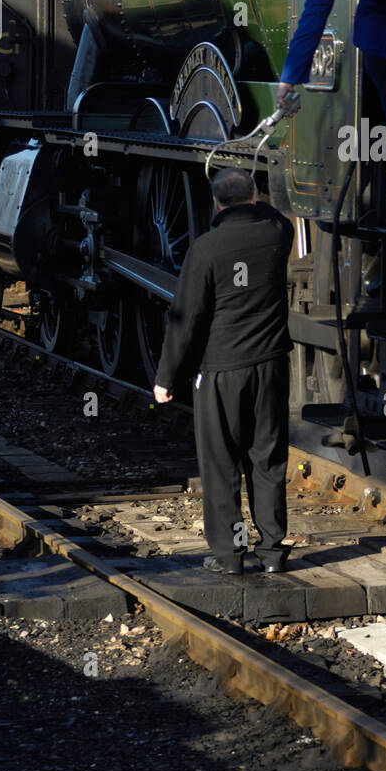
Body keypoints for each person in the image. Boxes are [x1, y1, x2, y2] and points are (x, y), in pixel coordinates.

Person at [153, 167, 294, 575]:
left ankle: (231, 556)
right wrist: (256, 199)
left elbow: (186, 319)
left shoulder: (206, 248)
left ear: (216, 203)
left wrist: (166, 378)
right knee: (268, 461)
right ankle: (271, 552)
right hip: (270, 367)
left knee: (221, 466)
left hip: (221, 373)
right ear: (254, 197)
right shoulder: (276, 234)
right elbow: (275, 216)